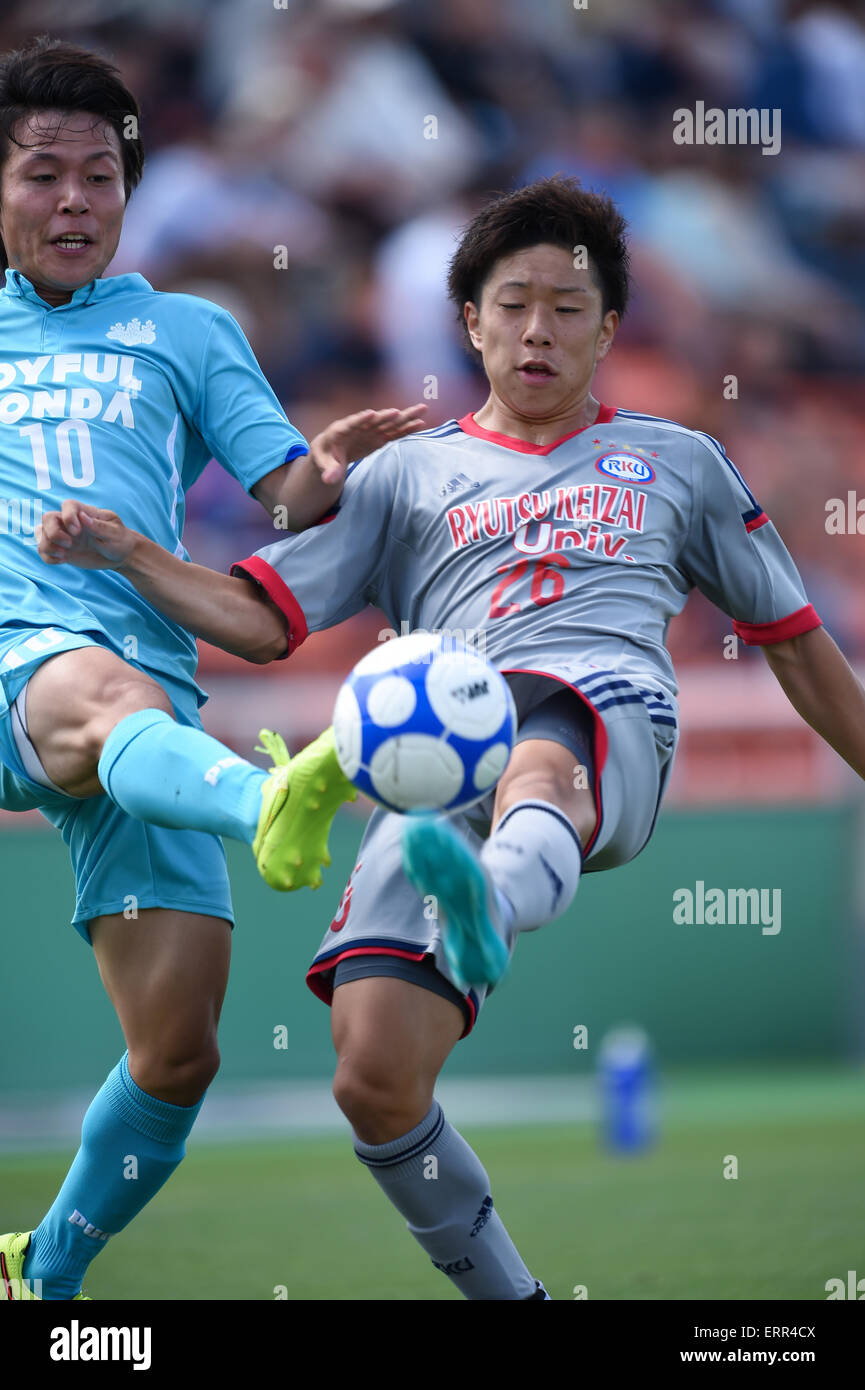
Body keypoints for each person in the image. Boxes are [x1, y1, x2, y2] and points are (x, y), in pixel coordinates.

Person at [34, 175, 865, 1302]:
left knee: (536, 744)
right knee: (375, 1076)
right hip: (430, 764)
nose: (538, 330)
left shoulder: (680, 465)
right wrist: (133, 552)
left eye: (569, 307)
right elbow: (256, 615)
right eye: (512, 303)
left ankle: (493, 908)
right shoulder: (401, 477)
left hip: (602, 708)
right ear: (468, 322)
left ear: (610, 327)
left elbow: (799, 644)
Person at [0, 36, 425, 1302]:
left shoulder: (186, 330)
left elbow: (284, 493)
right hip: (29, 664)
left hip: (145, 730)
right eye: (40, 175)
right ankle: (267, 802)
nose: (73, 200)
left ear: (129, 193)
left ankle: (44, 1274)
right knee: (95, 684)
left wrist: (324, 471)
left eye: (97, 177)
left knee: (177, 1051)